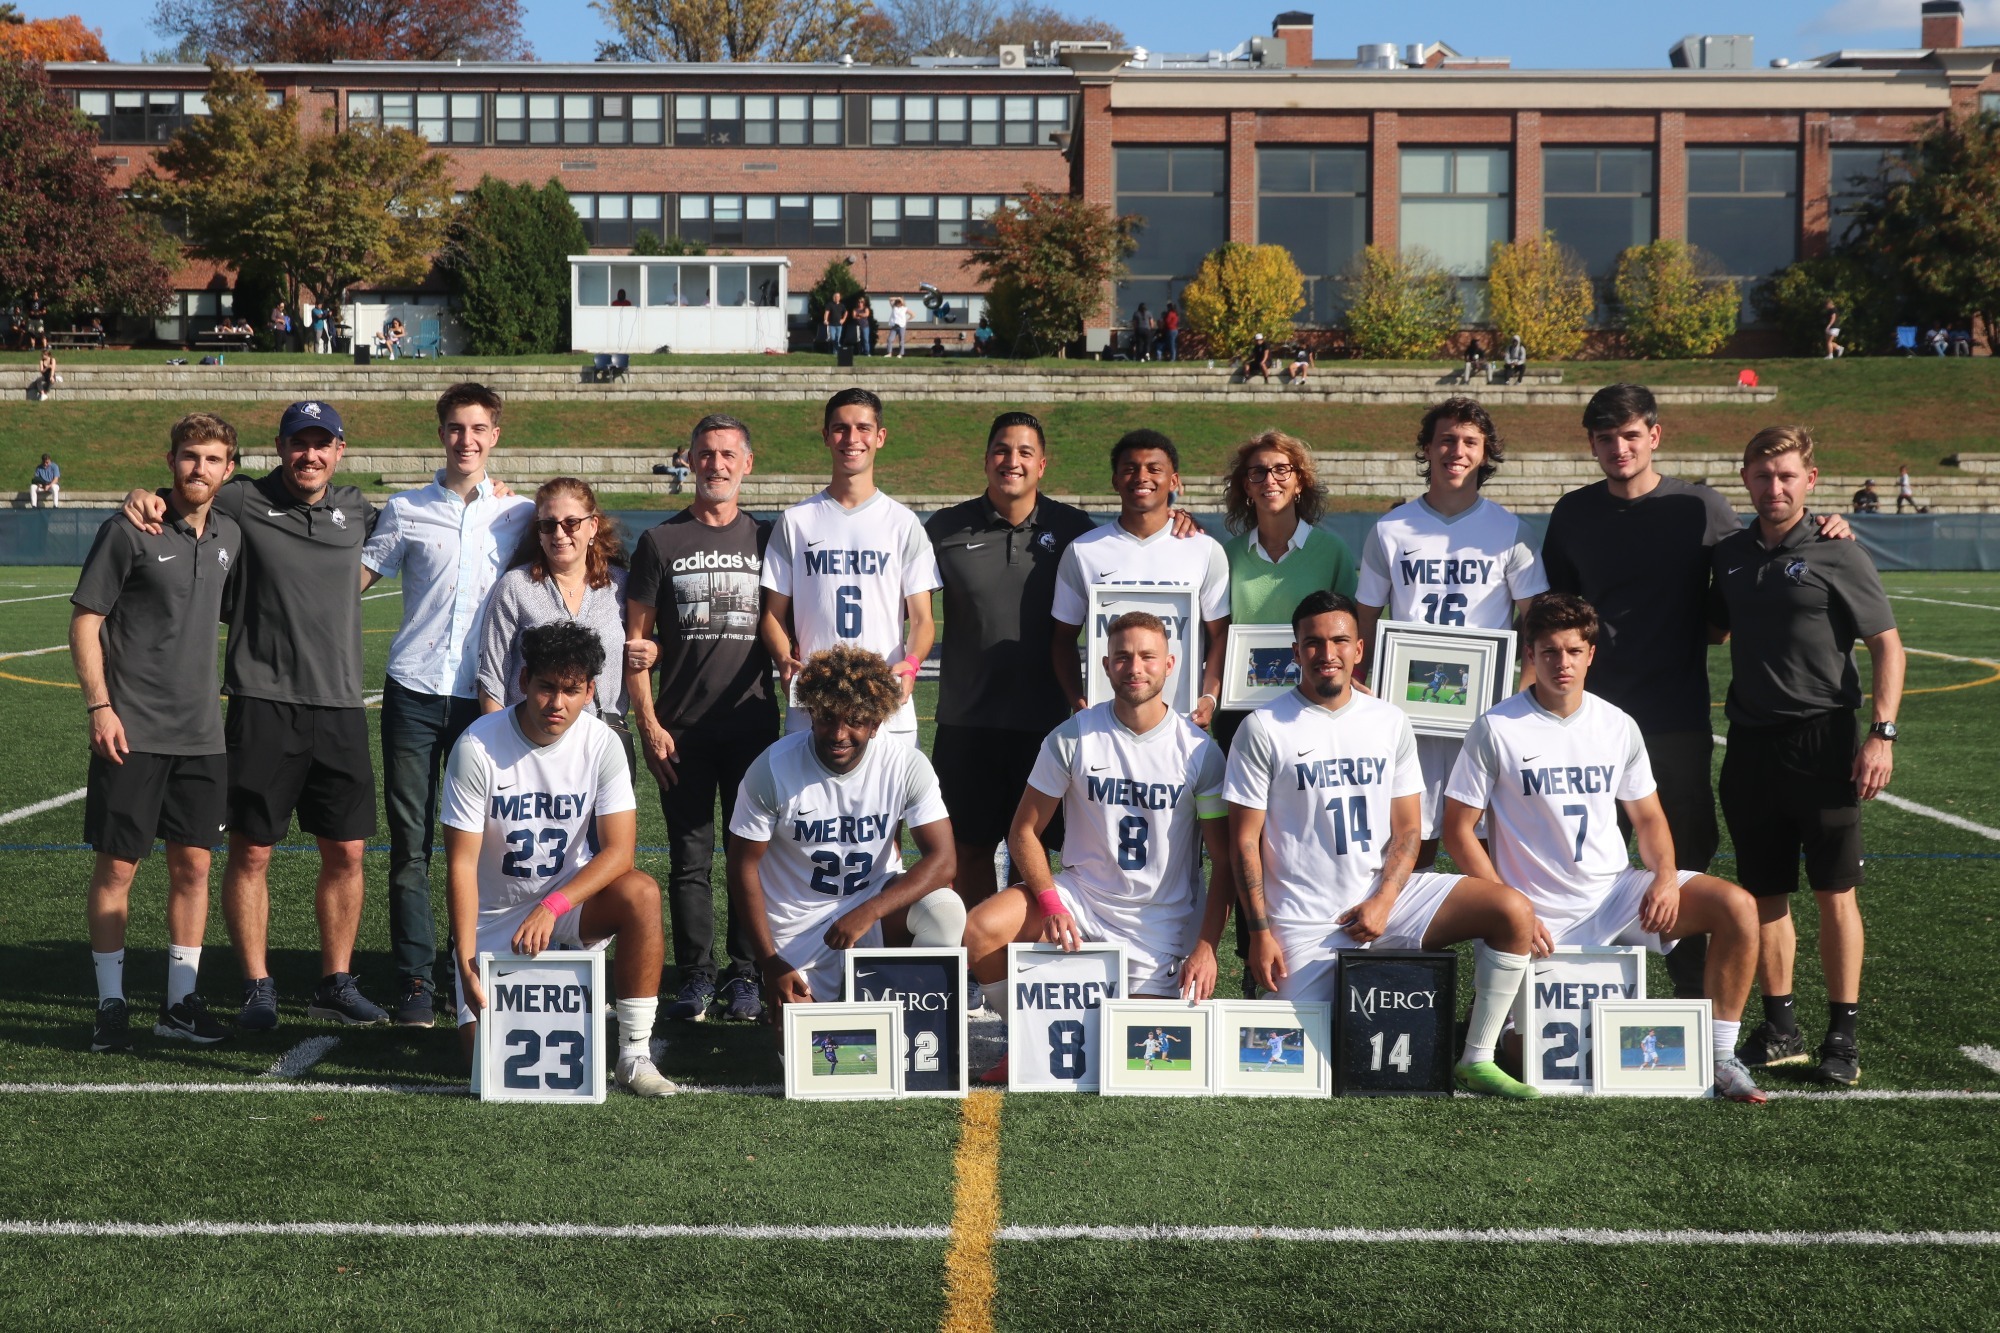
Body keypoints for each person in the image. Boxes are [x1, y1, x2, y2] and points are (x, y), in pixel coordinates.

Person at [1541, 383, 1855, 999]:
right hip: (1587, 721)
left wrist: (1824, 527)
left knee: (1682, 868)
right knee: (1573, 864)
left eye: (1631, 435)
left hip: (1674, 718)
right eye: (1606, 438)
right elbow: (1557, 616)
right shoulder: (1572, 513)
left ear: (1655, 436)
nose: (1619, 448)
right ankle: (1562, 999)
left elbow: (1760, 554)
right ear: (1592, 445)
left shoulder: (1701, 508)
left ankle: (1693, 1011)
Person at [1441, 592, 1769, 1103]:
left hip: (1616, 895)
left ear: (1591, 653)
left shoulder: (1616, 724)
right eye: (1549, 651)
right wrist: (1509, 906)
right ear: (1530, 655)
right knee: (1527, 1062)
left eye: (1573, 651)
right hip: (1537, 910)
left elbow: (1649, 818)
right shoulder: (1496, 727)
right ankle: (1505, 1031)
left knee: (1739, 908)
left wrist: (1663, 876)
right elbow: (1459, 829)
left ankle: (1722, 1057)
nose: (1561, 663)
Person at [120, 400, 385, 1030]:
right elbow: (189, 488)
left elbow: (439, 515)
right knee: (253, 850)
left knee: (347, 851)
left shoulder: (359, 509)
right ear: (280, 446)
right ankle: (256, 985)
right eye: (299, 443)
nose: (310, 456)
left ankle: (336, 980)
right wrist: (142, 494)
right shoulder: (243, 500)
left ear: (340, 451)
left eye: (323, 444)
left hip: (343, 704)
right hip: (262, 703)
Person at [1224, 590, 1542, 1099]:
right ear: (1295, 651)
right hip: (1308, 923)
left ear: (1359, 649)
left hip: (1386, 903)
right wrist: (1260, 932)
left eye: (1339, 641)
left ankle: (1477, 1057)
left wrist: (1385, 899)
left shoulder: (1388, 719)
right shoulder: (1263, 728)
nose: (1326, 653)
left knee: (1512, 911)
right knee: (1271, 1062)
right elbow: (1243, 842)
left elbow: (1408, 830)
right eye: (1313, 643)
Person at [962, 613, 1236, 1083]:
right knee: (980, 930)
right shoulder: (1072, 736)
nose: (1136, 667)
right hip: (1082, 901)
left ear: (1170, 664)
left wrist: (1207, 947)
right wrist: (1050, 903)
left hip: (1161, 925)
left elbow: (1226, 860)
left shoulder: (1199, 752)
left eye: (1148, 657)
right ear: (1106, 666)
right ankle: (1027, 1034)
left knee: (1139, 1065)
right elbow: (1023, 832)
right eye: (1123, 657)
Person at [1710, 425, 1904, 1088]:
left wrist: (1882, 733)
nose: (1775, 488)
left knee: (1835, 893)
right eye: (1763, 476)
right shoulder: (1730, 554)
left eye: (1787, 475)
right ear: (1746, 479)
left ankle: (1842, 1036)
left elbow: (1888, 645)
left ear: (1810, 480)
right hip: (1750, 746)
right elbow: (1712, 623)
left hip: (1824, 743)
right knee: (1766, 893)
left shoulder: (1836, 550)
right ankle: (1782, 1026)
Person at [359, 383, 535, 1027]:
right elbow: (354, 577)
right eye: (456, 428)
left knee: (491, 844)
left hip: (489, 700)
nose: (467, 440)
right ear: (441, 434)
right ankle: (413, 980)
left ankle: (488, 968)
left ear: (496, 435)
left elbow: (577, 559)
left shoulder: (521, 514)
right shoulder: (406, 508)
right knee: (411, 845)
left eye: (479, 428)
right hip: (412, 691)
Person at [442, 622, 675, 1096]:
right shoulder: (477, 746)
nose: (557, 702)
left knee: (642, 893)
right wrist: (466, 960)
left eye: (571, 690)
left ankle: (634, 1053)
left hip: (566, 906)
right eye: (547, 687)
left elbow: (619, 851)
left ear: (591, 691)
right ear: (524, 680)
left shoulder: (602, 742)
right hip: (494, 918)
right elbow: (461, 865)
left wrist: (554, 907)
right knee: (482, 1069)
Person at [70, 413, 243, 1051]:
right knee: (118, 867)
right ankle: (111, 1005)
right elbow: (86, 621)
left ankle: (179, 1004)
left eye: (213, 459)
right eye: (189, 456)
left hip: (203, 734)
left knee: (193, 867)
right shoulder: (129, 528)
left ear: (229, 469)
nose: (200, 469)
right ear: (170, 460)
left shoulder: (230, 532)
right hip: (132, 730)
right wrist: (99, 706)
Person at [626, 415, 779, 1025]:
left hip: (751, 726)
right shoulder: (660, 542)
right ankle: (695, 975)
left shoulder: (770, 541)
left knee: (750, 855)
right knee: (690, 858)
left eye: (727, 455)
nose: (716, 464)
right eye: (705, 454)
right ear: (688, 461)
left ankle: (745, 973)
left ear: (747, 463)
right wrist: (648, 724)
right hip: (680, 729)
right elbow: (635, 646)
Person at [1355, 397, 1546, 868]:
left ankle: (1500, 942)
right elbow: (1365, 619)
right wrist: (1366, 683)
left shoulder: (1511, 531)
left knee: (1486, 847)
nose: (1456, 451)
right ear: (1426, 448)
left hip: (1484, 711)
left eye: (1469, 442)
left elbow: (1538, 624)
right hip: (1406, 711)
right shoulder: (1390, 529)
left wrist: (1518, 695)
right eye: (1446, 440)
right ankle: (1397, 939)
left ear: (1485, 453)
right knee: (1406, 843)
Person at [727, 645, 965, 1017]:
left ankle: (918, 1015)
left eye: (854, 720)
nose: (838, 733)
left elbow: (944, 860)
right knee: (806, 1058)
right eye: (827, 718)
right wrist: (770, 961)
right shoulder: (772, 769)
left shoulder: (904, 764)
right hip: (797, 926)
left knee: (944, 909)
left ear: (876, 723)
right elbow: (742, 867)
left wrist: (868, 911)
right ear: (811, 714)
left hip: (872, 905)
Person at [925, 412, 1095, 908]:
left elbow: (1133, 553)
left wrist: (1178, 520)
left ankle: (1026, 967)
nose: (1011, 461)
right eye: (1001, 450)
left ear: (1042, 465)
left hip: (1046, 725)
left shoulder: (1075, 531)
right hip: (966, 722)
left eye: (1024, 452)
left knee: (1036, 851)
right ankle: (985, 967)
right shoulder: (946, 527)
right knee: (968, 852)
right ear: (986, 460)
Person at [760, 388, 939, 747]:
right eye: (840, 428)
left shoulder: (903, 523)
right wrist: (783, 658)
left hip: (886, 702)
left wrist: (912, 663)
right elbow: (773, 616)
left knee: (889, 803)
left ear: (880, 437)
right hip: (814, 701)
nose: (852, 439)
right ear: (826, 436)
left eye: (863, 428)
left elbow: (921, 620)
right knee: (807, 803)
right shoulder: (796, 521)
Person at [1050, 429, 1231, 728]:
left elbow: (1220, 635)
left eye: (1154, 469)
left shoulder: (1204, 550)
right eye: (1130, 469)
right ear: (1115, 480)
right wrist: (1078, 702)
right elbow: (1062, 639)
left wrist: (1208, 698)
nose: (1141, 476)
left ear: (1173, 481)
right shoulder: (1083, 551)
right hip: (1105, 721)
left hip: (1180, 721)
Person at [478, 479, 647, 772]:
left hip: (603, 742)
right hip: (530, 746)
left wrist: (655, 651)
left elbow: (641, 650)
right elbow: (492, 677)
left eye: (571, 523)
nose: (559, 534)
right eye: (548, 525)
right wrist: (501, 744)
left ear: (593, 527)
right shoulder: (515, 587)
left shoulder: (621, 585)